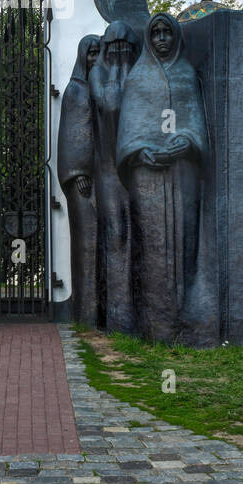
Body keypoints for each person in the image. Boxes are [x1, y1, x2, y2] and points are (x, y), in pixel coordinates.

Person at [116, 12, 208, 341]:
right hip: (147, 175)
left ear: (176, 36)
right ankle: (153, 323)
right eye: (155, 34)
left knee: (185, 239)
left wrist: (187, 140)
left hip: (182, 170)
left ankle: (186, 321)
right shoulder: (138, 78)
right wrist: (140, 150)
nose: (161, 40)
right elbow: (130, 126)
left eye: (166, 33)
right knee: (151, 241)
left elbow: (195, 118)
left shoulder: (185, 73)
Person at [89, 21, 140, 332]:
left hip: (135, 167)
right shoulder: (99, 73)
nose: (120, 51)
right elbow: (110, 105)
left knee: (140, 233)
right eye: (114, 46)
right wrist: (120, 72)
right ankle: (116, 314)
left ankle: (135, 313)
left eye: (126, 46)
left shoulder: (140, 71)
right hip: (108, 168)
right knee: (116, 232)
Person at [57, 34, 101, 325]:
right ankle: (87, 310)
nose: (95, 59)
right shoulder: (76, 90)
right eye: (91, 53)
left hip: (106, 176)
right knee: (87, 244)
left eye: (99, 53)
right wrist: (78, 173)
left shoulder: (105, 87)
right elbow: (73, 137)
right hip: (83, 181)